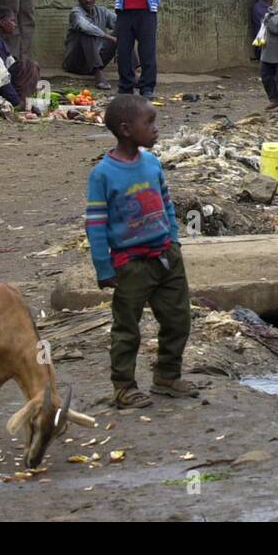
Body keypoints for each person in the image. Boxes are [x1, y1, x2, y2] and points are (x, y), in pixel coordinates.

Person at [86, 94, 198, 409]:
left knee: (178, 319)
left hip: (165, 256)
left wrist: (174, 241)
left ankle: (167, 375)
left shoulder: (152, 163)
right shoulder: (103, 174)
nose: (156, 129)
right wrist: (104, 269)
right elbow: (95, 224)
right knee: (127, 329)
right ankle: (123, 386)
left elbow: (166, 204)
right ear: (125, 129)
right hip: (130, 264)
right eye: (148, 123)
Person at [0, 7, 41, 108]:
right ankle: (26, 103)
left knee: (26, 64)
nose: (15, 24)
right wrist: (16, 102)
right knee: (30, 66)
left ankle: (29, 102)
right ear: (2, 22)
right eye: (12, 21)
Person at [64, 0, 118, 90]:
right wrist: (110, 38)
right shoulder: (76, 12)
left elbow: (119, 23)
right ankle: (98, 74)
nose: (88, 0)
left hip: (98, 58)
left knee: (124, 32)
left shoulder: (102, 11)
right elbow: (85, 26)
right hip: (76, 63)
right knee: (86, 32)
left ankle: (132, 71)